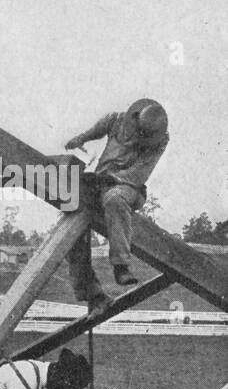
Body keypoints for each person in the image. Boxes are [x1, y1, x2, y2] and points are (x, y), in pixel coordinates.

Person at [63, 98, 169, 314]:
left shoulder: (159, 141)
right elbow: (99, 128)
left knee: (114, 198)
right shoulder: (117, 120)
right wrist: (80, 138)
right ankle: (93, 294)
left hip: (129, 187)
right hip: (100, 182)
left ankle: (121, 265)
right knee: (70, 216)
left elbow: (138, 174)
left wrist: (109, 178)